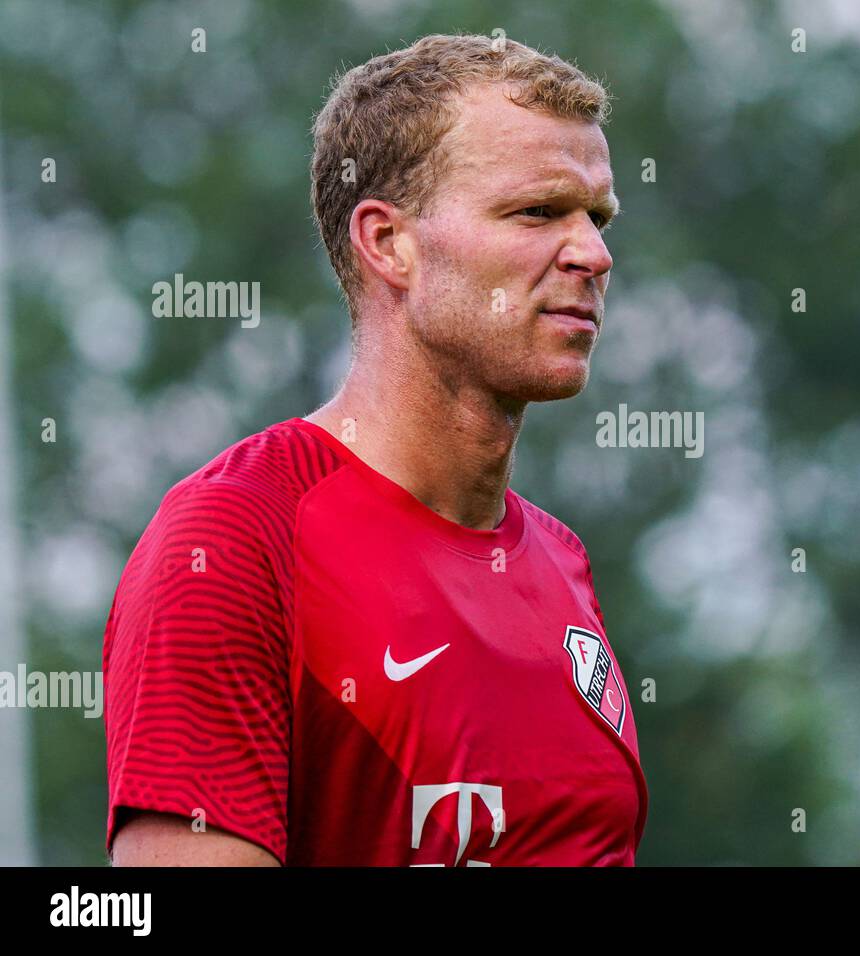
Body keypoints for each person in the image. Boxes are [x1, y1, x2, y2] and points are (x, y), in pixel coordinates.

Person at [103, 33, 646, 866]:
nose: (595, 254)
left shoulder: (561, 561)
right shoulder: (235, 542)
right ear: (389, 243)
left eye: (597, 217)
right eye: (538, 211)